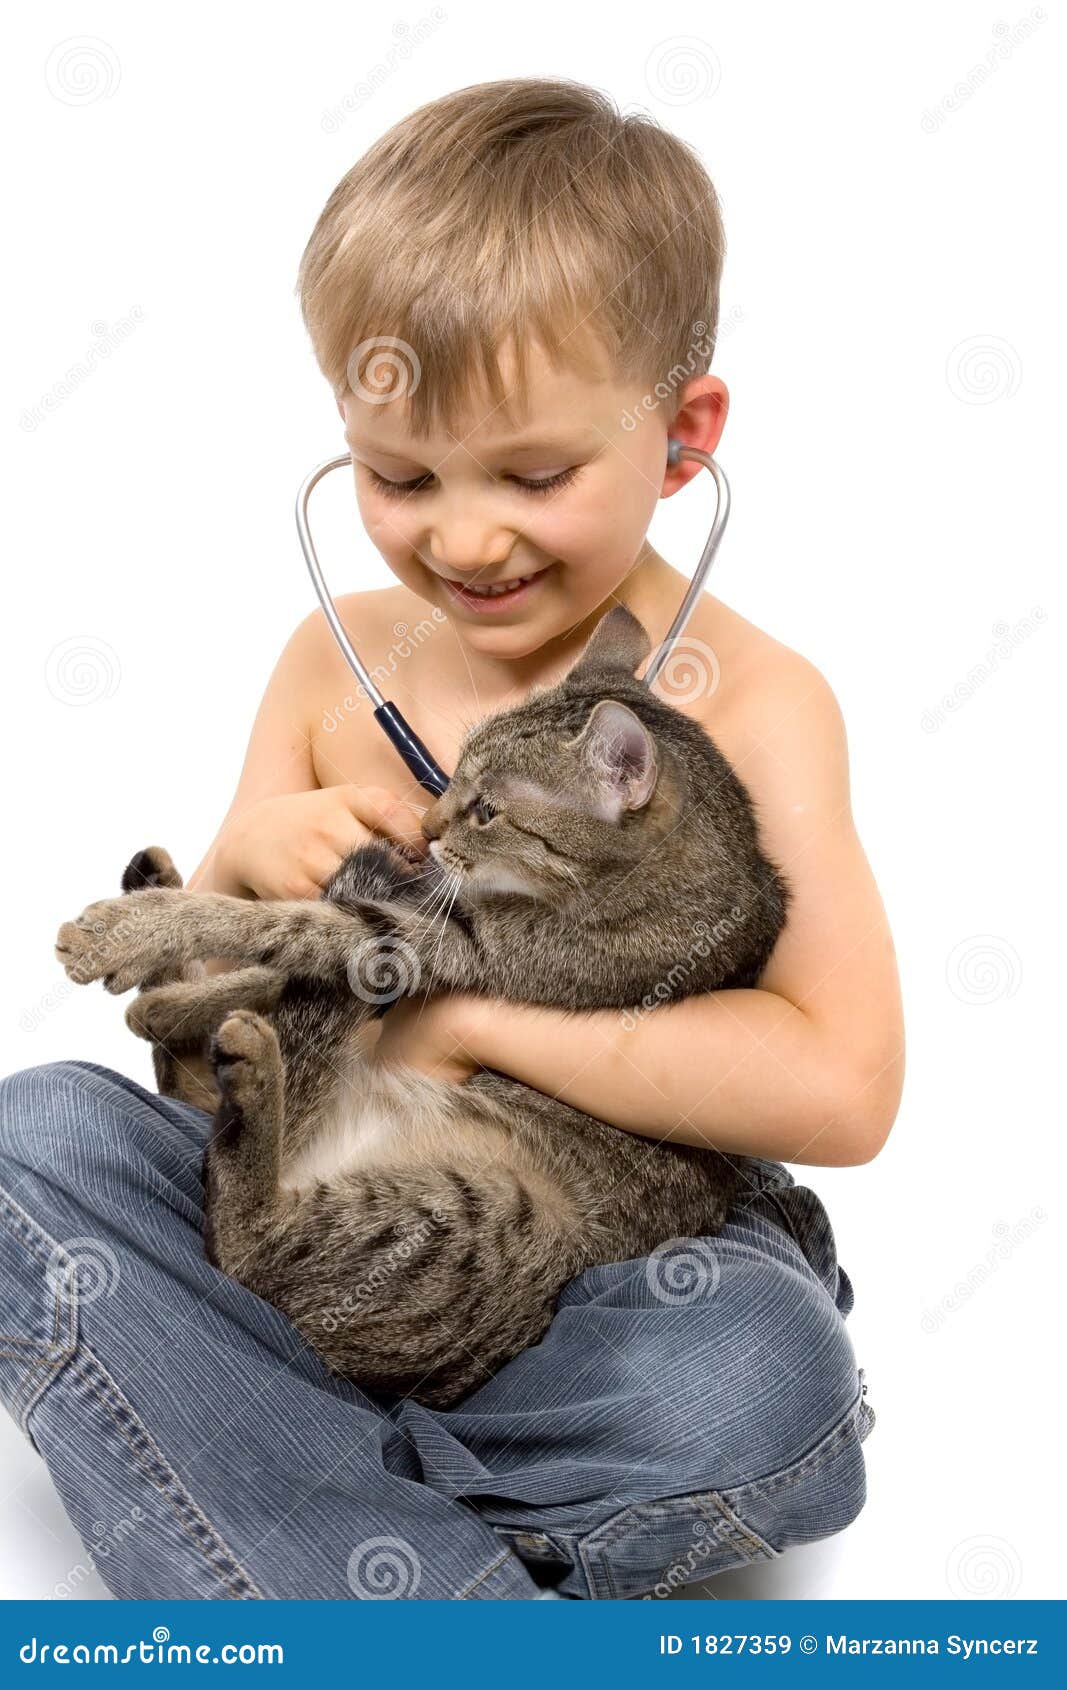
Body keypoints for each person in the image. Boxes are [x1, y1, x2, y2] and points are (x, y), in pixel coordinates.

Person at [0, 77, 903, 1600]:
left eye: (535, 475)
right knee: (35, 1134)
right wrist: (240, 864)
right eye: (400, 476)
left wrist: (468, 1016)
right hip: (310, 1216)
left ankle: (276, 1496)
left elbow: (840, 1083)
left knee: (759, 1376)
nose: (464, 539)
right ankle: (430, 1567)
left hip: (590, 1276)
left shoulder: (749, 702)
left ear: (684, 437)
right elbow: (196, 1064)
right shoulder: (323, 661)